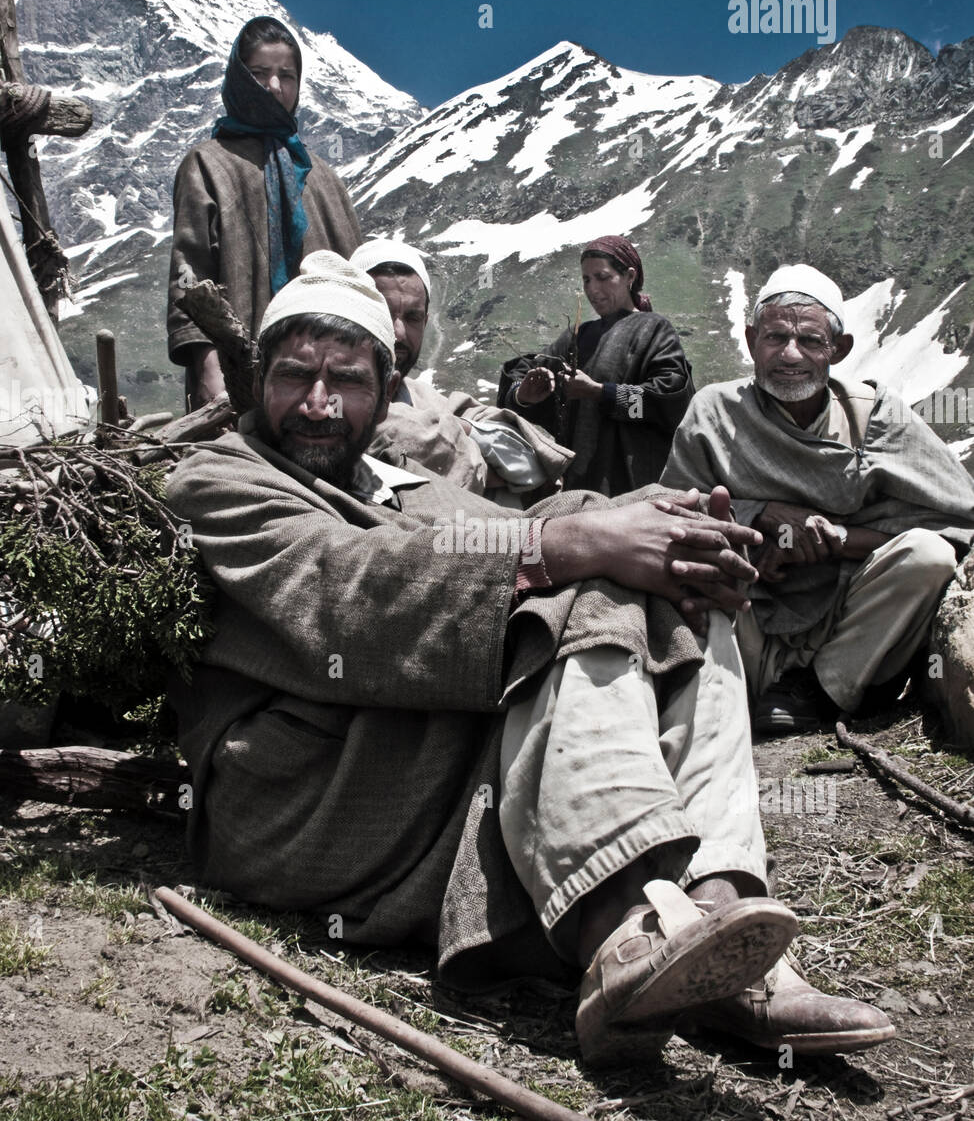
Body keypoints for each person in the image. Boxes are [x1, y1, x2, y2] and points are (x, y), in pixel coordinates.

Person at [166, 250, 894, 1063]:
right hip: (308, 796)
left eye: (350, 382)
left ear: (383, 395)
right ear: (257, 376)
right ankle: (621, 924)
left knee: (680, 580)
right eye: (295, 376)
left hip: (417, 751)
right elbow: (349, 593)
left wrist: (665, 531)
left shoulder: (398, 479)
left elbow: (522, 518)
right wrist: (584, 541)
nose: (319, 404)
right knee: (584, 580)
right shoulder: (220, 480)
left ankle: (720, 915)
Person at [661, 264, 974, 734]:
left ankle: (825, 690)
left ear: (839, 349)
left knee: (928, 556)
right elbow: (668, 511)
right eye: (775, 337)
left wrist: (837, 538)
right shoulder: (713, 412)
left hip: (850, 624)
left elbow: (954, 518)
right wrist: (759, 520)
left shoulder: (874, 416)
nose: (790, 355)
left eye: (809, 340)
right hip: (746, 618)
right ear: (751, 340)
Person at [167, 16, 362, 409]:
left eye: (286, 75)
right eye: (259, 73)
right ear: (239, 78)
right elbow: (190, 272)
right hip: (236, 377)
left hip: (328, 383)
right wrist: (209, 371)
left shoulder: (323, 178)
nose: (274, 87)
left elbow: (356, 276)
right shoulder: (208, 165)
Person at [349, 238, 572, 501]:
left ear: (425, 321)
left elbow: (532, 462)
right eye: (384, 314)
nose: (398, 333)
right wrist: (477, 458)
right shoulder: (325, 404)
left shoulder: (429, 400)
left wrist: (458, 428)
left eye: (412, 317)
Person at [497, 236, 694, 496]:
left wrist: (601, 393)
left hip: (633, 484)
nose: (593, 289)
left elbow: (669, 406)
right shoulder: (577, 336)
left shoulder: (653, 329)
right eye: (586, 280)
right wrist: (524, 395)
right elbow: (523, 375)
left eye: (602, 277)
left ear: (629, 276)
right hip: (577, 483)